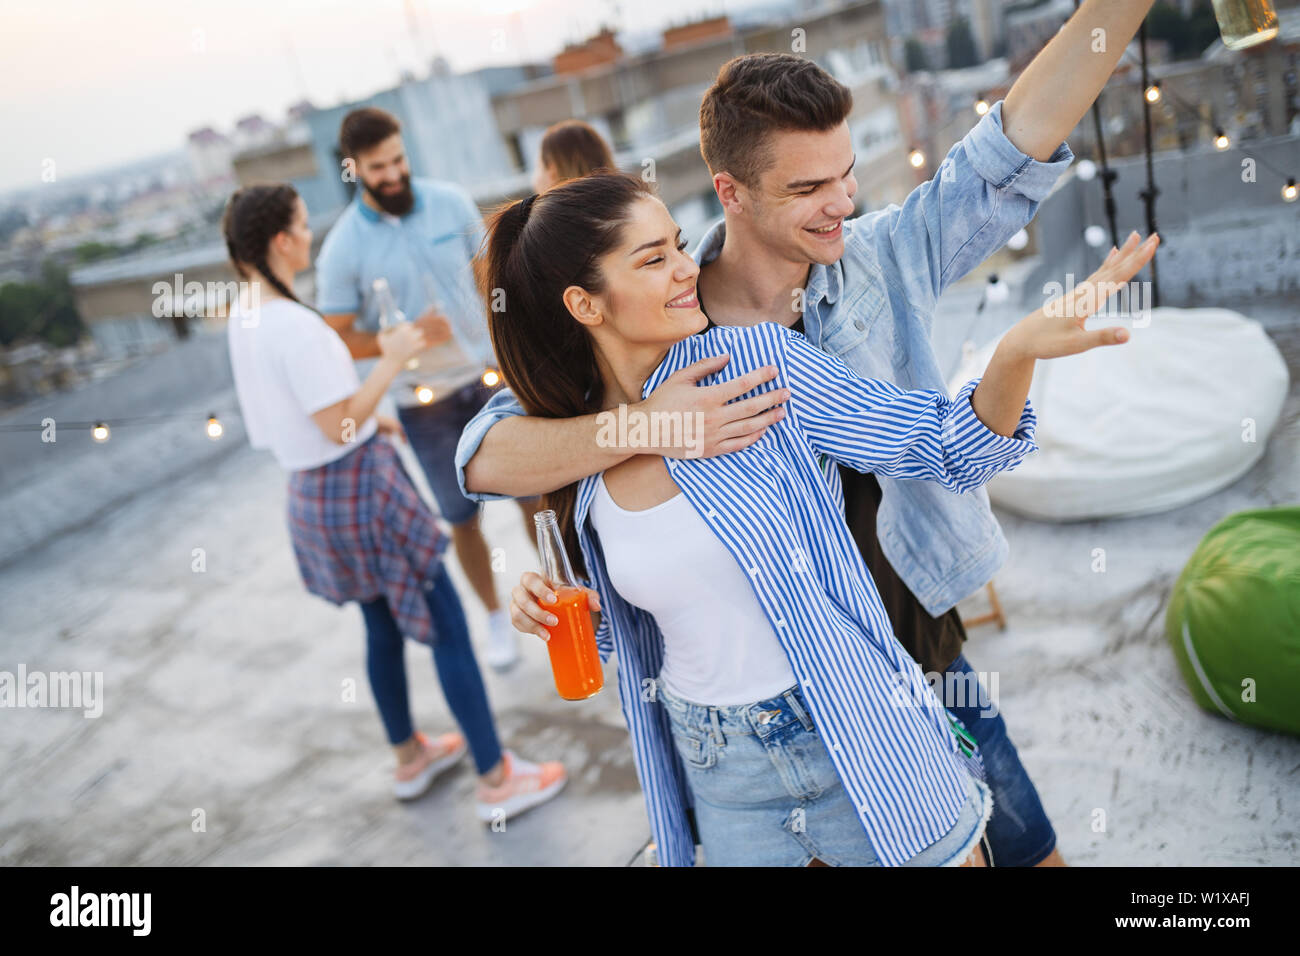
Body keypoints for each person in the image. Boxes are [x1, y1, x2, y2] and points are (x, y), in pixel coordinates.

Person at [459, 0, 1161, 867]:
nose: (844, 204)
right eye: (806, 188)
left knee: (1024, 848)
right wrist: (650, 426)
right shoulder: (665, 335)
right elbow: (489, 452)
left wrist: (1117, 8)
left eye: (846, 174)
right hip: (743, 726)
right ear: (733, 192)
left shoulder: (879, 255)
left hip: (903, 630)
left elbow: (1010, 148)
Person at [221, 183, 567, 821]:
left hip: (308, 492)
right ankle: (496, 778)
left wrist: (368, 415)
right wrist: (393, 357)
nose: (308, 237)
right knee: (445, 625)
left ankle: (410, 758)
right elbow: (339, 426)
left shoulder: (245, 314)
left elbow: (292, 421)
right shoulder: (297, 326)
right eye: (301, 225)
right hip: (359, 487)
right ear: (278, 240)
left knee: (380, 626)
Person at [314, 107, 539, 671]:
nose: (393, 175)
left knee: (538, 498)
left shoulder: (451, 201)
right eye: (377, 167)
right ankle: (495, 619)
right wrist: (405, 339)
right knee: (461, 518)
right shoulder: (342, 249)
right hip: (425, 403)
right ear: (352, 169)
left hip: (495, 379)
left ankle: (569, 599)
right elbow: (337, 338)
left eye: (397, 160)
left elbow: (492, 278)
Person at [532, 119, 617, 192]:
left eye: (538, 166)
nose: (534, 180)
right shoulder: (623, 201)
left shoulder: (559, 210)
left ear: (553, 170)